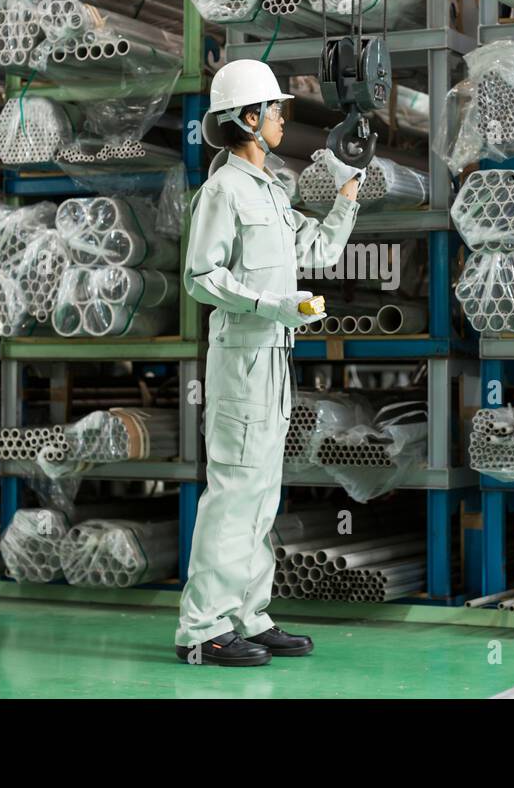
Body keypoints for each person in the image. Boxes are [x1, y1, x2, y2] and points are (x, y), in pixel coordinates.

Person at [175, 59, 363, 666]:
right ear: (249, 119)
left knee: (261, 496)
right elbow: (202, 277)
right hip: (240, 363)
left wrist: (347, 195)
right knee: (232, 494)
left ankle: (247, 616)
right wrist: (275, 304)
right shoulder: (223, 191)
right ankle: (201, 630)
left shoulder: (272, 192)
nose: (283, 118)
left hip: (273, 361)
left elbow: (319, 249)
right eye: (275, 109)